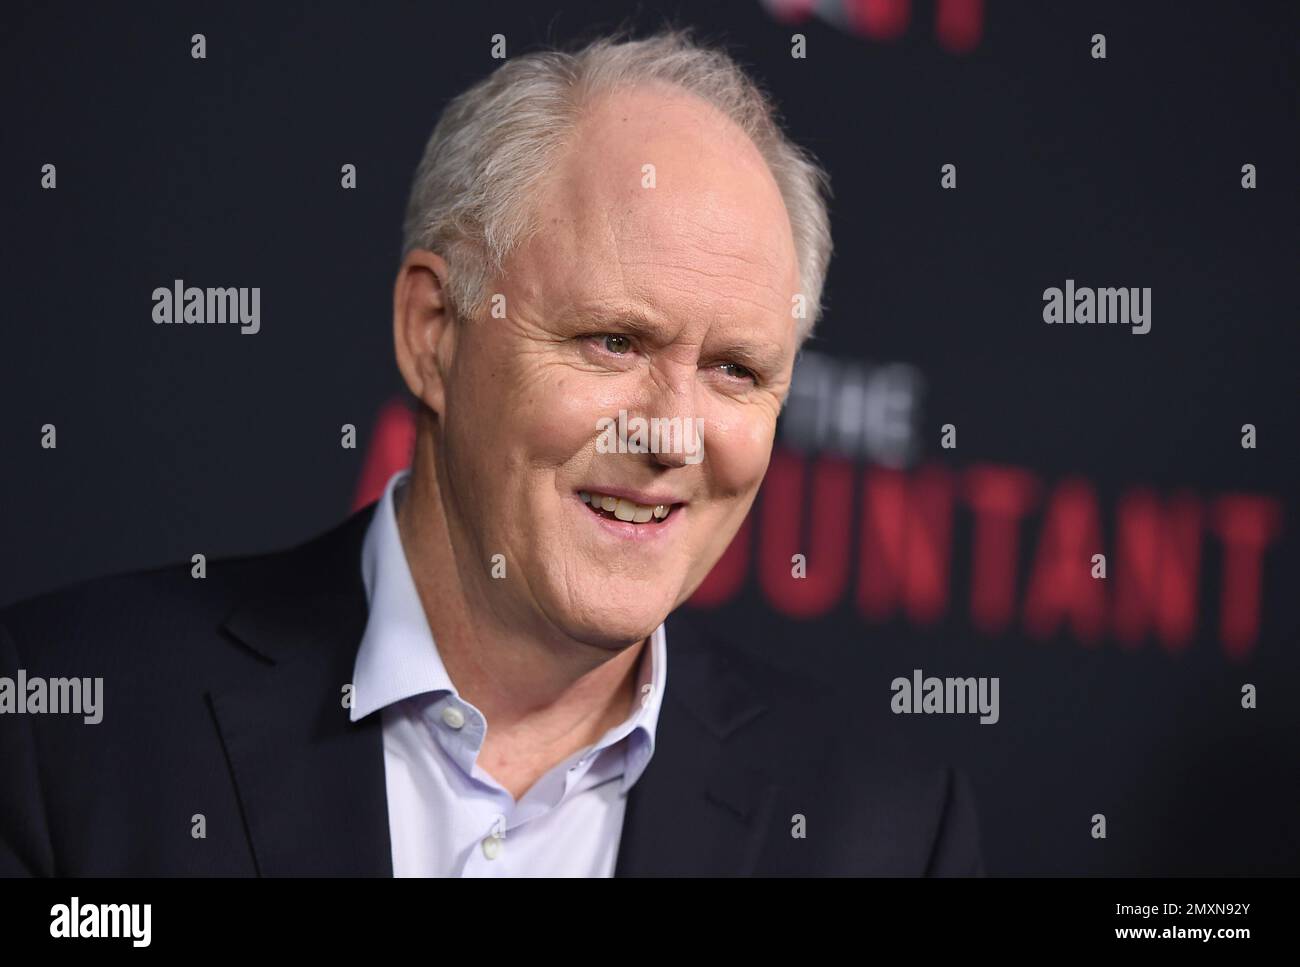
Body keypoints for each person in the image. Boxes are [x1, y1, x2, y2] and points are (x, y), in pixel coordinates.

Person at [0, 28, 982, 876]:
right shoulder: (64, 723)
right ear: (434, 330)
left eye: (734, 369)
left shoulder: (887, 833)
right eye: (612, 340)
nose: (671, 432)